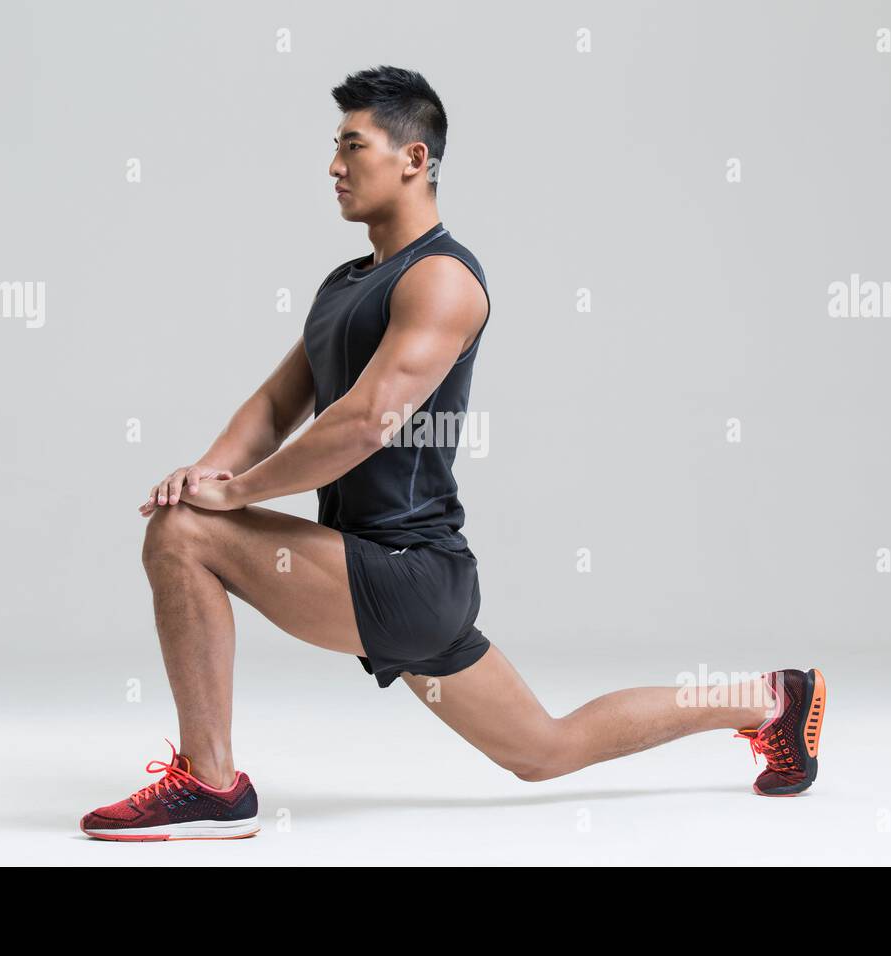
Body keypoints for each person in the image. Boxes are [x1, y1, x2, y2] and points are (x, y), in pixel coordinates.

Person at [79, 65, 827, 841]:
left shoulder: (442, 279)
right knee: (545, 748)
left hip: (406, 571)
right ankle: (772, 698)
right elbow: (276, 404)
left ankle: (212, 786)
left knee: (181, 535)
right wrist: (209, 471)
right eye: (332, 149)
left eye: (352, 146)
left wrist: (233, 499)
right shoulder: (346, 283)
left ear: (414, 159)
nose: (334, 167)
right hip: (379, 567)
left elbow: (366, 421)